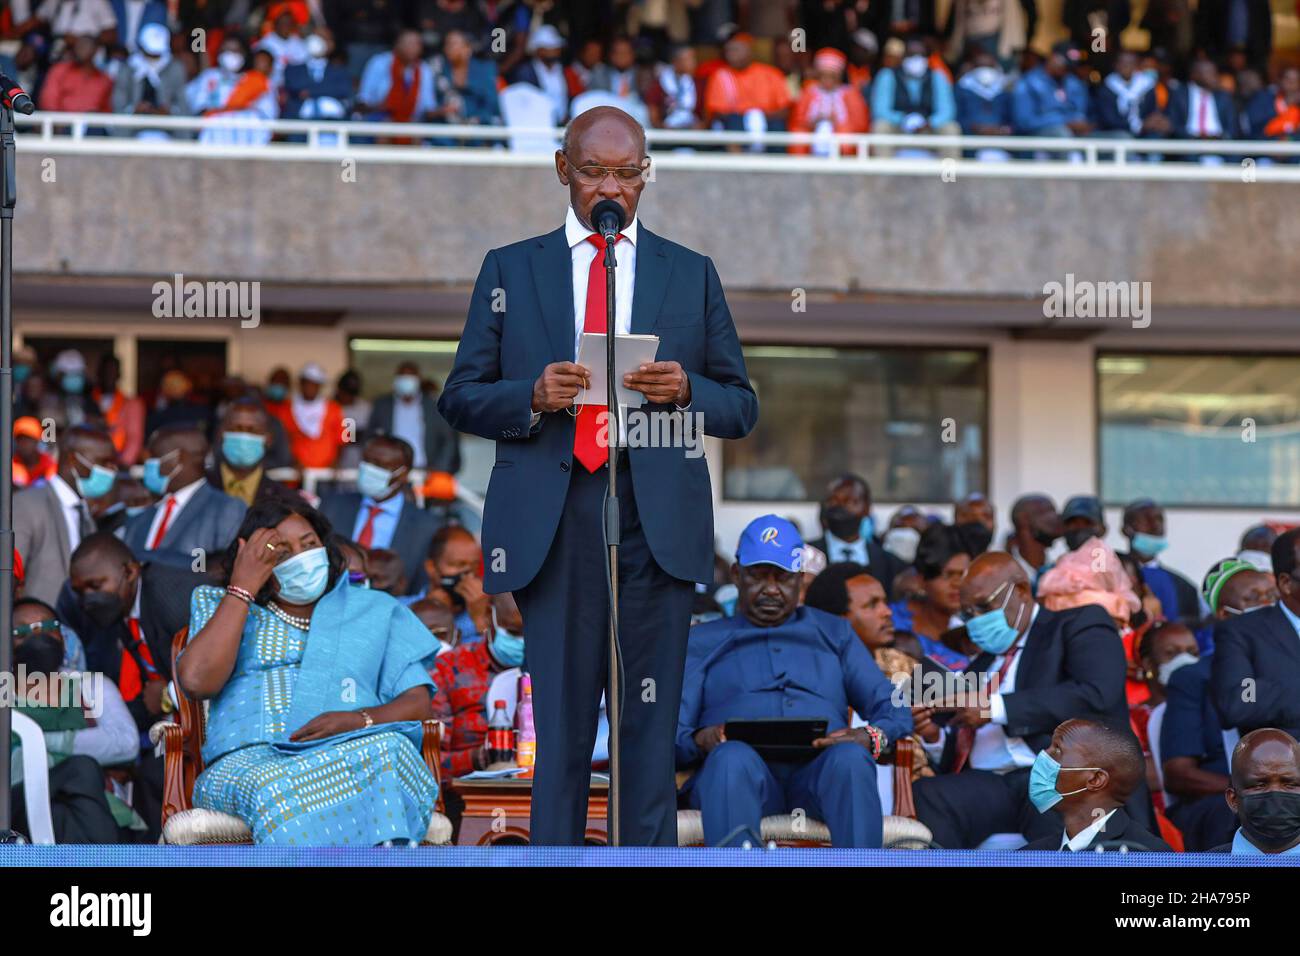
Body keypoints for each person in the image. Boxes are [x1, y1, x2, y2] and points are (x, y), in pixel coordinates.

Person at [437, 105, 757, 846]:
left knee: (647, 740)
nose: (609, 186)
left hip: (656, 526)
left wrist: (687, 390)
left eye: (626, 172)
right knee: (563, 733)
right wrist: (529, 396)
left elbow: (741, 406)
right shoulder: (511, 268)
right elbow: (459, 395)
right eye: (593, 171)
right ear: (562, 170)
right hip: (557, 523)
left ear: (644, 177)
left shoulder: (691, 273)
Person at [175, 498, 441, 845]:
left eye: (309, 543)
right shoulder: (222, 604)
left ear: (325, 546)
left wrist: (356, 720)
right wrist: (243, 586)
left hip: (351, 747)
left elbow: (418, 702)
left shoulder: (374, 610)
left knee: (390, 750)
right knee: (275, 786)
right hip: (252, 760)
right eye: (282, 552)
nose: (301, 557)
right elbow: (196, 681)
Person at [677, 516, 911, 847]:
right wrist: (702, 739)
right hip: (741, 778)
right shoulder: (703, 641)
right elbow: (673, 734)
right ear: (736, 575)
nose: (771, 588)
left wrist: (870, 735)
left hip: (821, 775)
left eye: (783, 577)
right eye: (758, 576)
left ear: (800, 580)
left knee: (850, 759)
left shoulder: (835, 633)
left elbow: (892, 705)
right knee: (730, 759)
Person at [911, 552, 1144, 849]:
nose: (977, 620)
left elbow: (1096, 693)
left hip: (1055, 775)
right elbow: (961, 740)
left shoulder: (1078, 624)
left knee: (1059, 803)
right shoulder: (981, 664)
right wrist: (934, 736)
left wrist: (994, 708)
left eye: (984, 606)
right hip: (990, 783)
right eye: (968, 614)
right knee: (931, 794)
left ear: (1020, 591)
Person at [58, 531, 204, 837]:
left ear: (130, 571)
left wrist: (167, 696)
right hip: (174, 724)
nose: (87, 600)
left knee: (155, 776)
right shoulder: (123, 612)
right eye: (80, 591)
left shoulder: (172, 596)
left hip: (209, 723)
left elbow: (211, 665)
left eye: (96, 586)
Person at [9, 596, 138, 843]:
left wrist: (38, 743)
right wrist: (79, 748)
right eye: (22, 631)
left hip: (86, 806)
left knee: (62, 811)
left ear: (63, 638)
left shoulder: (90, 685)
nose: (38, 637)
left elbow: (126, 743)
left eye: (48, 628)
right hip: (17, 800)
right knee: (82, 767)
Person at [1020, 719, 1172, 851]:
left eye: (1058, 749)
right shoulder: (1028, 856)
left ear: (1095, 780)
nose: (1044, 756)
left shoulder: (1147, 856)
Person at [319, 434, 438, 596]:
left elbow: (419, 585)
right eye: (367, 461)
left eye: (381, 466)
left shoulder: (427, 526)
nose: (370, 469)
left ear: (403, 474)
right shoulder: (332, 505)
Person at [14, 425, 118, 606]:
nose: (112, 470)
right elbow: (9, 576)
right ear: (73, 460)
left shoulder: (84, 511)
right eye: (104, 462)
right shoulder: (27, 505)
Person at [1212, 528, 1300, 742]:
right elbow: (1242, 699)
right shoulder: (1243, 633)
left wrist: (1269, 688)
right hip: (1286, 764)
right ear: (1286, 584)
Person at [429, 592, 526, 778]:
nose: (522, 642)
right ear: (490, 615)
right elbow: (429, 760)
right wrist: (479, 758)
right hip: (467, 794)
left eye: (531, 632)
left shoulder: (554, 668)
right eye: (513, 632)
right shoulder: (448, 669)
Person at [123, 426, 247, 566]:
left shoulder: (226, 509)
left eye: (154, 457)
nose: (147, 465)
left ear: (178, 459)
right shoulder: (141, 516)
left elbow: (224, 566)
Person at [890, 524, 977, 669]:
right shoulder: (890, 622)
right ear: (921, 579)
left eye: (964, 574)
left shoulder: (978, 628)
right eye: (947, 575)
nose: (957, 584)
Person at [806, 474, 903, 590]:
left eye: (849, 501)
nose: (840, 507)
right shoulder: (804, 555)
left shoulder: (890, 564)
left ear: (867, 508)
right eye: (832, 501)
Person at [870, 35, 961, 158]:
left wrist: (929, 123)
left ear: (927, 57)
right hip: (899, 129)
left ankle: (948, 176)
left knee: (951, 128)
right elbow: (880, 110)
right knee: (880, 126)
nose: (916, 59)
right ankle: (883, 176)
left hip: (928, 130)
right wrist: (903, 119)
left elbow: (947, 110)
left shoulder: (937, 76)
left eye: (921, 55)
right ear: (902, 57)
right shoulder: (887, 75)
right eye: (911, 55)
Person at [367, 361, 461, 474]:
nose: (406, 381)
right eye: (402, 377)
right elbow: (370, 437)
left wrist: (440, 469)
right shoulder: (382, 405)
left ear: (419, 379)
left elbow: (448, 440)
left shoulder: (433, 406)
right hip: (390, 471)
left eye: (410, 377)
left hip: (425, 472)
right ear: (396, 380)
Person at [207, 397, 301, 509]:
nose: (243, 436)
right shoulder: (197, 491)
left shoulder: (287, 503)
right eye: (236, 428)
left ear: (268, 439)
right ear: (220, 433)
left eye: (252, 430)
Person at [1121, 497, 1199, 626]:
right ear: (1126, 529)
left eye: (1159, 519)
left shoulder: (1184, 587)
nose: (1155, 526)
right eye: (1146, 519)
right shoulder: (1108, 577)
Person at [1219, 728, 1300, 854]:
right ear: (1233, 800)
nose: (1275, 795)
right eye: (1260, 785)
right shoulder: (1203, 864)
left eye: (1289, 784)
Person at [702, 31, 792, 144]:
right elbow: (716, 112)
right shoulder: (721, 75)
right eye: (729, 51)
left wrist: (758, 117)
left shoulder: (771, 73)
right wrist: (747, 117)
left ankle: (776, 161)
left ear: (749, 52)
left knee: (776, 126)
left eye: (736, 50)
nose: (731, 55)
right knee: (733, 122)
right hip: (735, 124)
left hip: (768, 121)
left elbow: (784, 110)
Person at [411, 525, 492, 644]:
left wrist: (481, 620)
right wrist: (429, 611)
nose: (468, 574)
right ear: (431, 567)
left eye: (474, 566)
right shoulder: (401, 607)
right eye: (458, 565)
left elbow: (496, 658)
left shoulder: (488, 616)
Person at [790, 47, 870, 156]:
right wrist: (814, 122)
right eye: (824, 76)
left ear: (839, 76)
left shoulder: (850, 94)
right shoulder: (809, 92)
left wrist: (837, 122)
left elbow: (860, 123)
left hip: (841, 138)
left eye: (832, 76)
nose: (828, 80)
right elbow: (797, 120)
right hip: (812, 136)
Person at [1011, 42, 1092, 138]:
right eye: (1065, 65)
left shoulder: (1073, 83)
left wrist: (1079, 123)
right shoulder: (1028, 82)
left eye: (1070, 67)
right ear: (1053, 57)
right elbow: (1024, 122)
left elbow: (1080, 113)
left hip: (1074, 137)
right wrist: (1064, 122)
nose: (1067, 70)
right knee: (1061, 134)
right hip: (1038, 140)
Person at [357, 29, 436, 125]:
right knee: (386, 126)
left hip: (413, 121)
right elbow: (363, 102)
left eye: (416, 44)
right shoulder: (379, 63)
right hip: (379, 118)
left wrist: (444, 110)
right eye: (408, 43)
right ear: (397, 45)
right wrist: (381, 107)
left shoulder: (424, 69)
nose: (412, 48)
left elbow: (428, 108)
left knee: (416, 130)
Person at [280, 362, 346, 469]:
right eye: (307, 383)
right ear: (300, 384)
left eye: (314, 384)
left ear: (320, 386)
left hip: (326, 474)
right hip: (296, 473)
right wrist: (292, 461)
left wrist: (336, 462)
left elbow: (343, 439)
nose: (310, 387)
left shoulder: (334, 408)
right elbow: (282, 441)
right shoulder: (286, 409)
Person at [508, 24, 570, 125]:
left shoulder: (562, 70)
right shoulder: (525, 72)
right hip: (536, 125)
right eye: (550, 48)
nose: (555, 51)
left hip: (562, 125)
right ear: (538, 50)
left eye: (557, 47)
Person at [38, 33, 114, 113]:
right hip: (60, 122)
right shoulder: (59, 70)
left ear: (95, 50)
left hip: (91, 124)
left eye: (84, 46)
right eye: (78, 46)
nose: (79, 49)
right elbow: (48, 101)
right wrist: (58, 121)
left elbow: (106, 110)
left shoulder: (105, 80)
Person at [92, 354, 145, 467]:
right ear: (98, 374)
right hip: (91, 462)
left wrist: (123, 464)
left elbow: (134, 438)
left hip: (119, 464)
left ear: (119, 375)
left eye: (112, 372)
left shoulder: (131, 404)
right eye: (105, 372)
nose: (109, 376)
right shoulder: (88, 401)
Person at [1006, 493, 1063, 589]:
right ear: (1023, 519)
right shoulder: (1003, 574)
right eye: (1046, 511)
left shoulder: (1059, 571)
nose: (1056, 517)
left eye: (1054, 511)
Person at [12, 415, 57, 489]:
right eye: (20, 439)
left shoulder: (49, 465)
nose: (24, 444)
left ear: (37, 441)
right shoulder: (11, 465)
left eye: (28, 439)